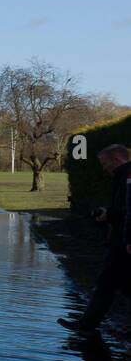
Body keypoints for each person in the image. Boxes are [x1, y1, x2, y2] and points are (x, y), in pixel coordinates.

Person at [58, 144, 131, 335]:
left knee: (107, 284)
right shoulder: (121, 176)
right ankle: (87, 324)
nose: (104, 168)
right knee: (112, 284)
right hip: (121, 239)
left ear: (116, 159)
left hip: (123, 241)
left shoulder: (126, 177)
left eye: (105, 163)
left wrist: (110, 215)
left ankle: (86, 325)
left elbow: (127, 211)